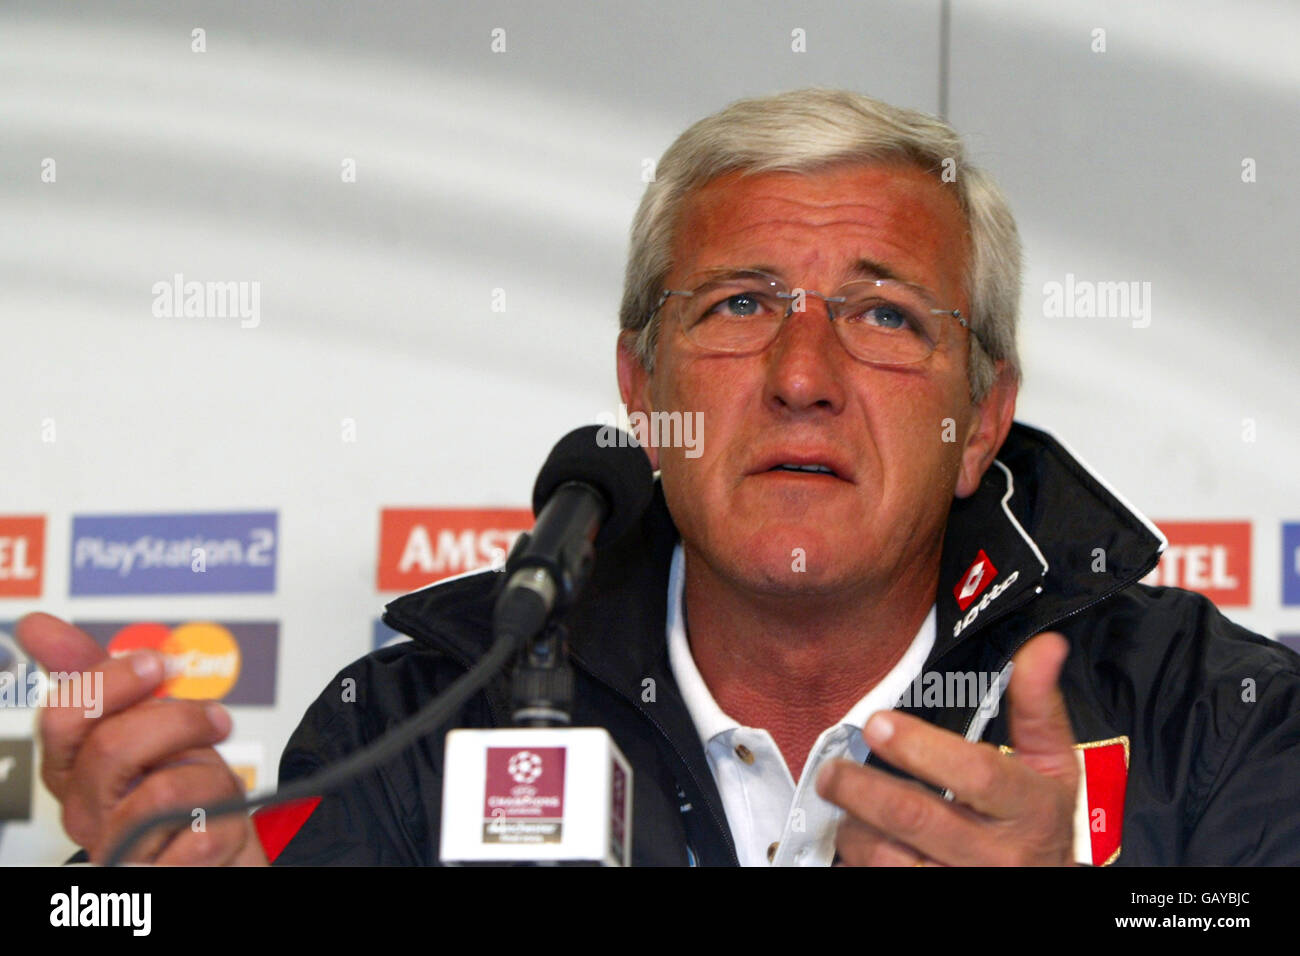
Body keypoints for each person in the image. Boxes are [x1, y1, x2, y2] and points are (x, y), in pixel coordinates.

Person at [18, 88, 1300, 867]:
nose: (803, 373)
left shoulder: (1213, 714)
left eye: (888, 316)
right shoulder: (417, 721)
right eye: (741, 303)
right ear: (642, 390)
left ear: (982, 418)